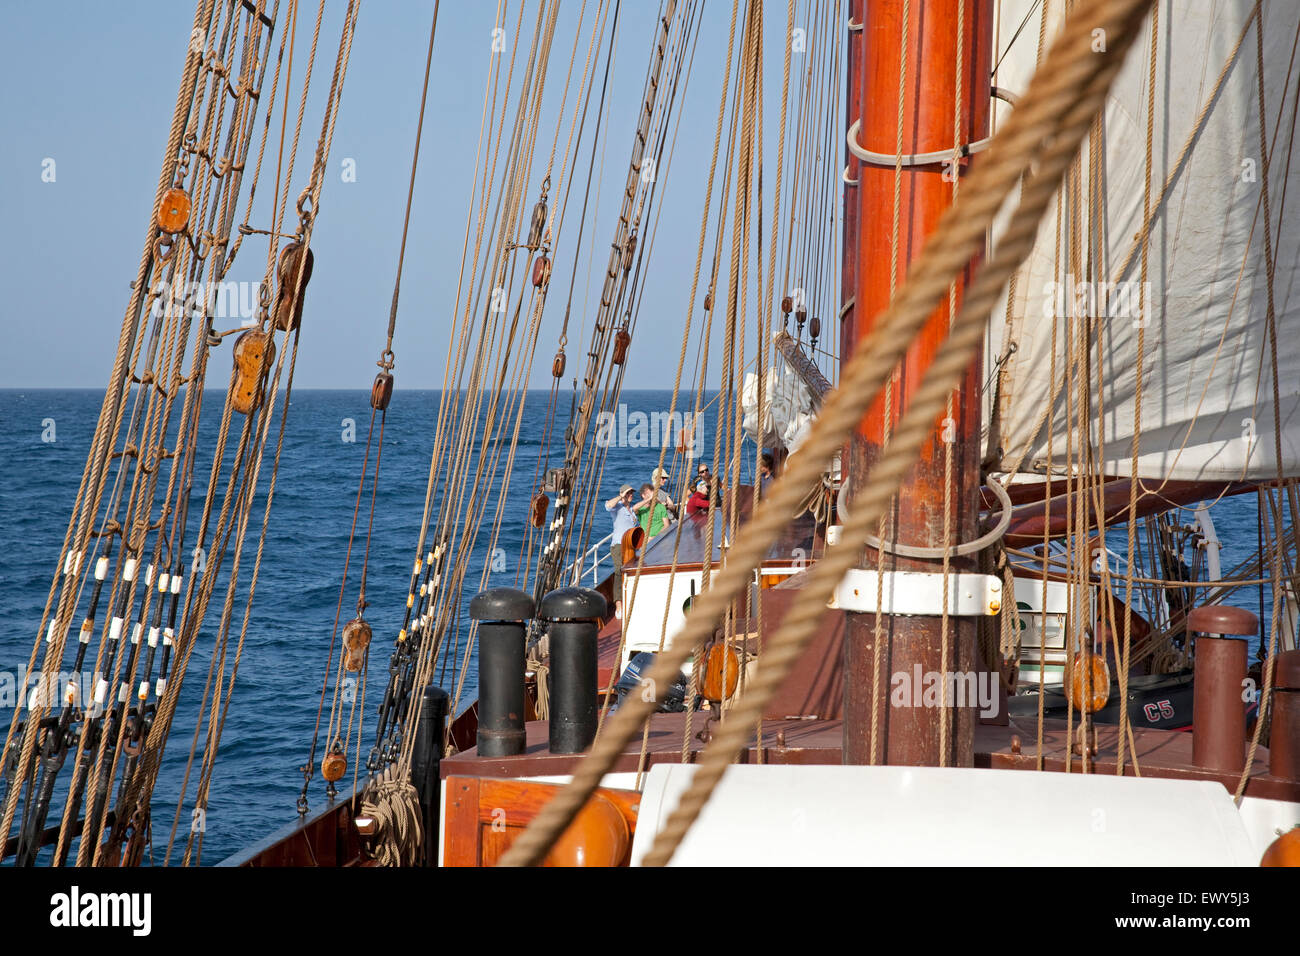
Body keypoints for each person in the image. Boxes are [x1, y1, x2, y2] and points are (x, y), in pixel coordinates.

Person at [605, 484, 637, 617]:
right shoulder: (617, 507)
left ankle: (629, 598)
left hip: (631, 546)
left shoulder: (632, 511)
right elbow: (608, 506)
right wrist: (621, 497)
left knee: (630, 571)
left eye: (631, 493)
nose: (630, 495)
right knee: (619, 571)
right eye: (628, 493)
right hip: (618, 545)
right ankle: (618, 605)